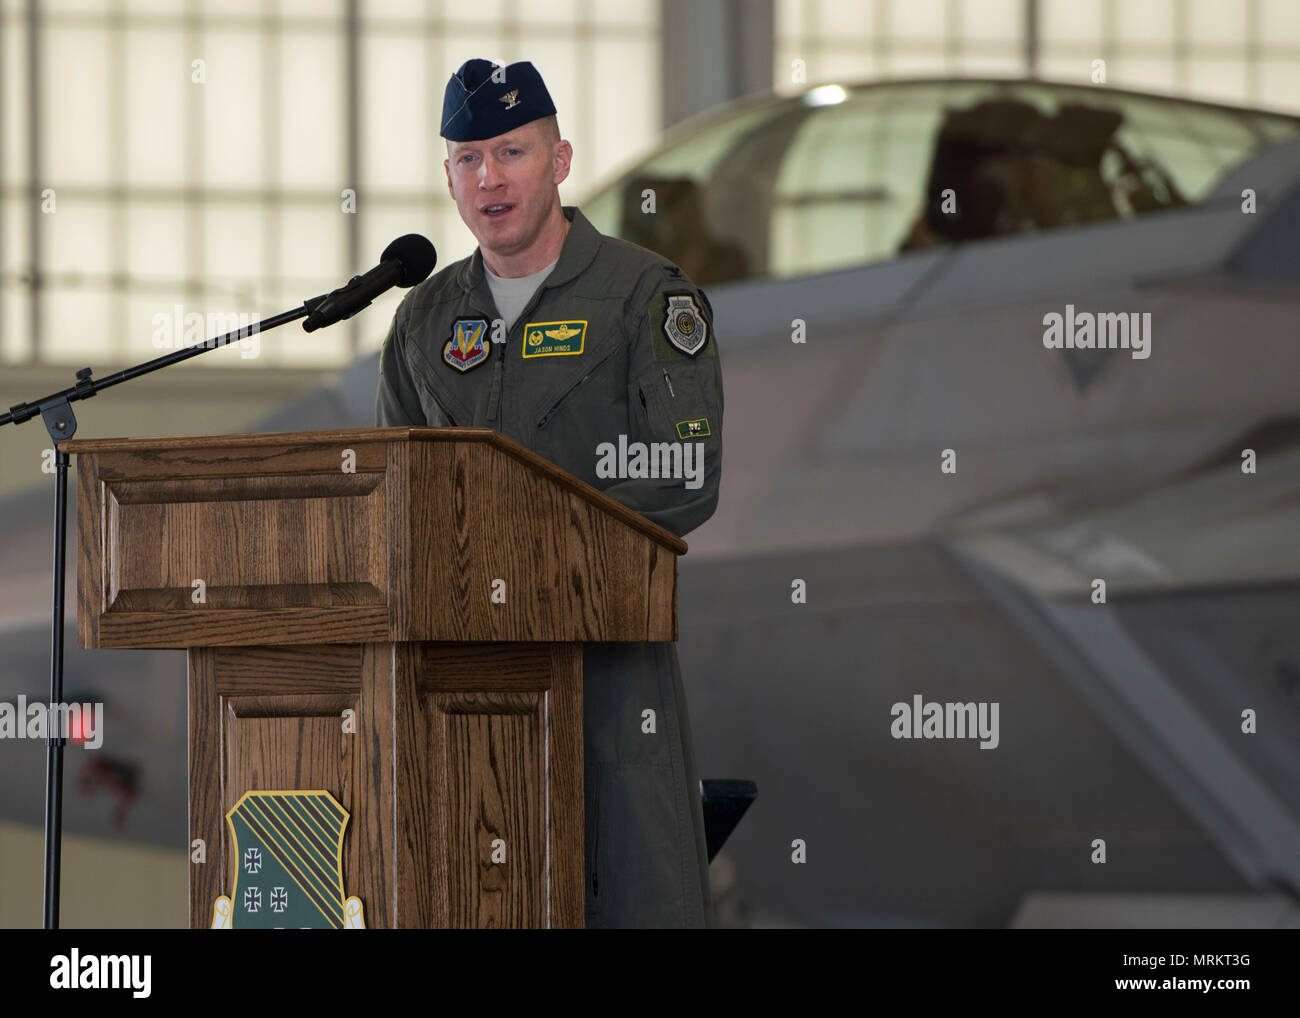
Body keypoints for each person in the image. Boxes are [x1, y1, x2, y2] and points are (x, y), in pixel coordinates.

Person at [374, 58, 723, 928]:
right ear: (448, 177)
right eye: (467, 158)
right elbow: (390, 496)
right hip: (457, 683)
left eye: (512, 152)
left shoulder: (645, 297)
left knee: (626, 889)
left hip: (604, 664)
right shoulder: (422, 318)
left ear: (560, 161)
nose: (489, 178)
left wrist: (531, 532)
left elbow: (685, 476)